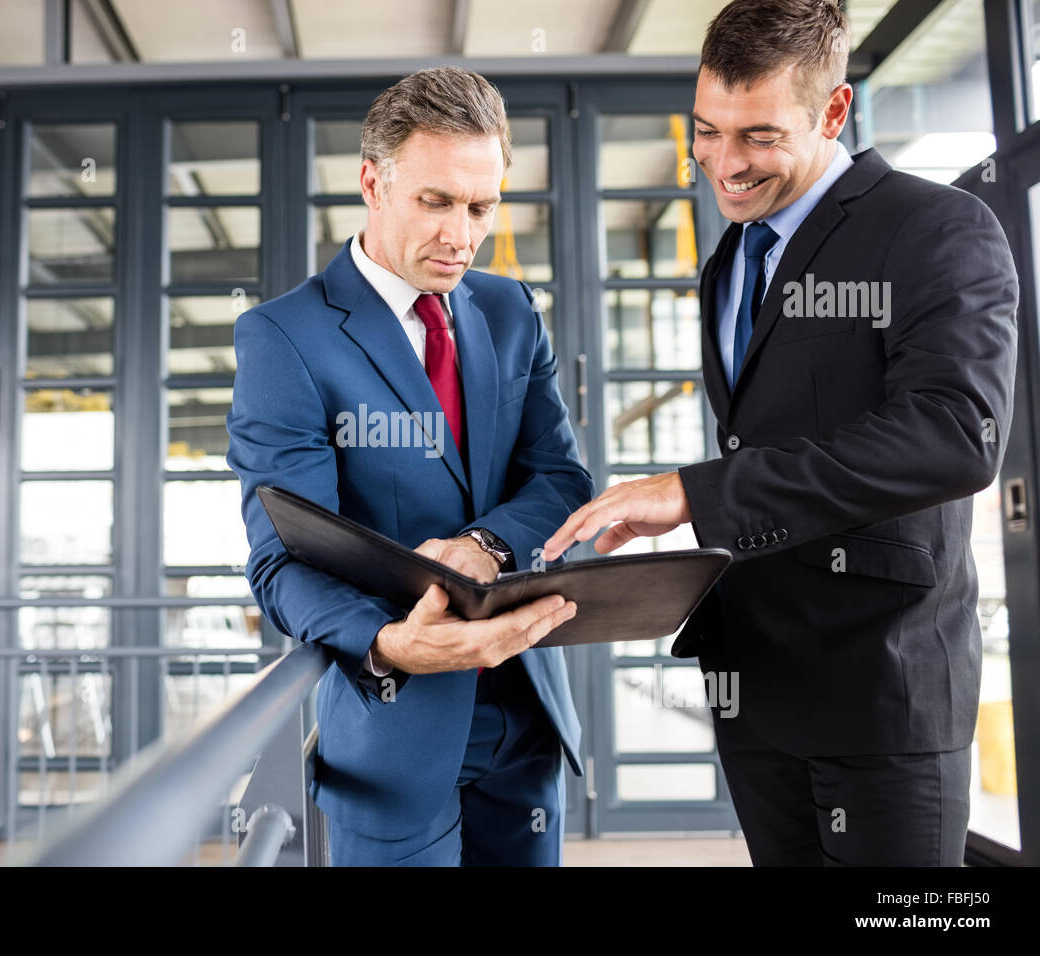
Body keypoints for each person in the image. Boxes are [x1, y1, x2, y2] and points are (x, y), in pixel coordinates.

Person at [543, 0, 1018, 866]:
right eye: (706, 131)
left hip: (886, 695)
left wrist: (693, 493)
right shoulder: (731, 259)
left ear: (834, 111)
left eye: (758, 136)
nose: (725, 164)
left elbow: (957, 433)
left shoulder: (936, 227)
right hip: (758, 689)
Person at [227, 66, 593, 866]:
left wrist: (486, 546)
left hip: (525, 722)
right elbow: (281, 560)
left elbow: (561, 482)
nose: (462, 236)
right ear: (373, 183)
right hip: (393, 735)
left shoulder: (508, 311)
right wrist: (390, 641)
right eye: (436, 202)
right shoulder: (285, 339)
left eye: (481, 206)